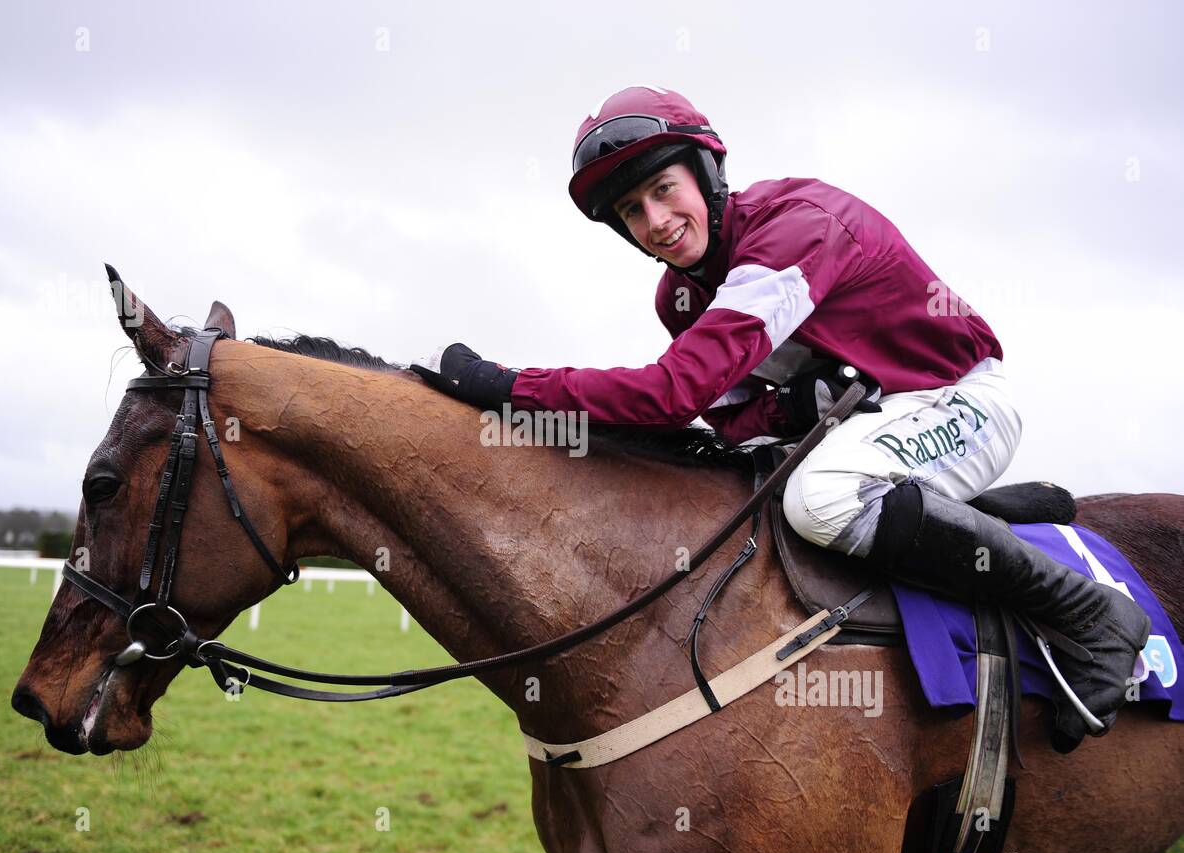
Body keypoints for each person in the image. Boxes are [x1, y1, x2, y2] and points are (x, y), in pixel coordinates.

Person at [410, 84, 1149, 752]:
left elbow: (674, 393)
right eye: (633, 212)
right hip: (875, 425)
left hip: (961, 398)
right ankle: (965, 513)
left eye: (665, 191)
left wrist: (509, 387)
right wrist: (790, 406)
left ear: (707, 175)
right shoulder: (679, 299)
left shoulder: (796, 227)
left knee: (821, 495)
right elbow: (729, 421)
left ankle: (1089, 613)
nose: (656, 222)